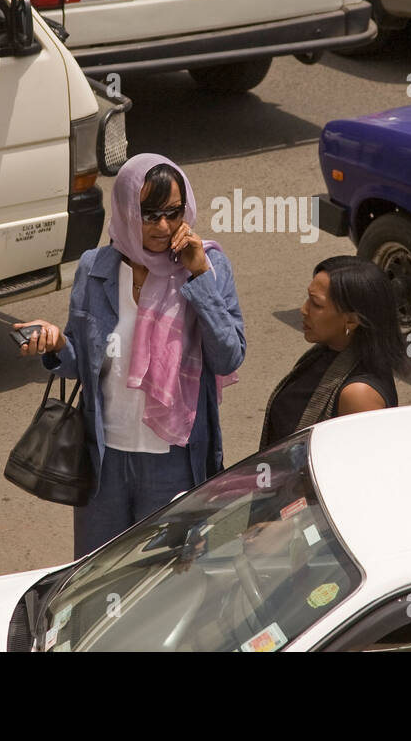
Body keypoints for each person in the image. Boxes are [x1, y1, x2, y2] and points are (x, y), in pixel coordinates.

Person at [15, 154, 246, 560]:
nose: (163, 227)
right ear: (125, 211)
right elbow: (81, 361)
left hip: (173, 460)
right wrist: (55, 346)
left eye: (173, 213)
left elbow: (228, 357)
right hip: (105, 459)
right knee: (95, 575)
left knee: (164, 579)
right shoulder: (95, 268)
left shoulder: (209, 265)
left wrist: (199, 278)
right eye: (149, 214)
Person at [259, 256, 404, 450]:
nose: (303, 309)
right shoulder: (325, 353)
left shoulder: (359, 395)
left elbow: (357, 468)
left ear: (351, 321)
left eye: (316, 305)